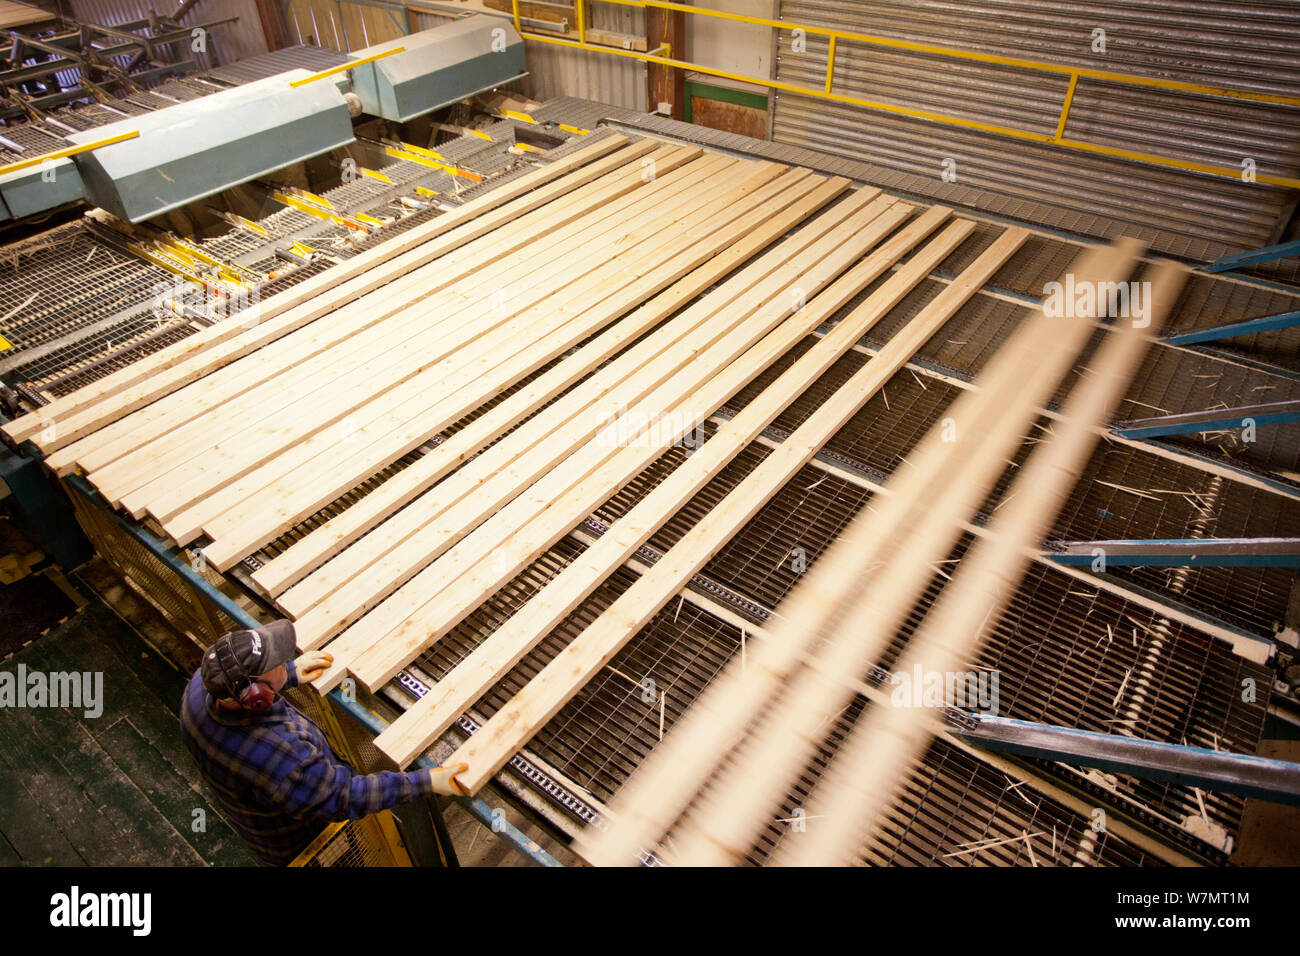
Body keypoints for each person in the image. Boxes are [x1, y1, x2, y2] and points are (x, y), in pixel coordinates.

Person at [180, 619, 467, 866]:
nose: (284, 660)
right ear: (258, 697)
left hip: (257, 819)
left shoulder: (200, 689)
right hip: (305, 842)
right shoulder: (284, 758)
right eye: (276, 664)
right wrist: (425, 782)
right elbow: (344, 797)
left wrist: (288, 674)